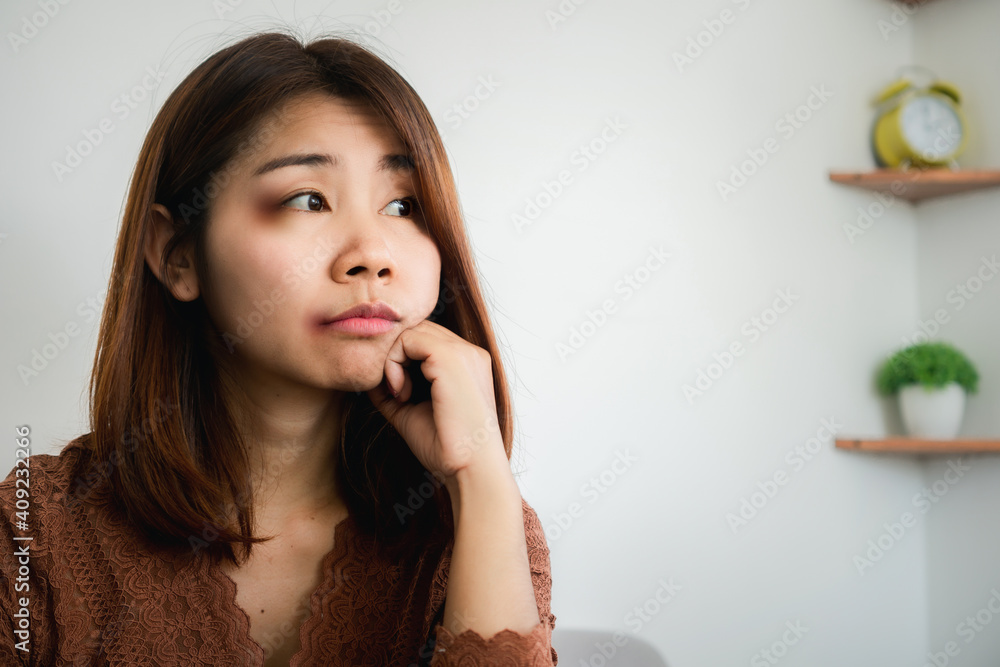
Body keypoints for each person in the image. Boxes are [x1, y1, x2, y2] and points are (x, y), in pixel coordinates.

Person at [0, 29, 557, 666]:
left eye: (404, 205)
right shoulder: (35, 533)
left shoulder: (483, 527)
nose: (371, 254)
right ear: (178, 254)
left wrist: (481, 479)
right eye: (307, 200)